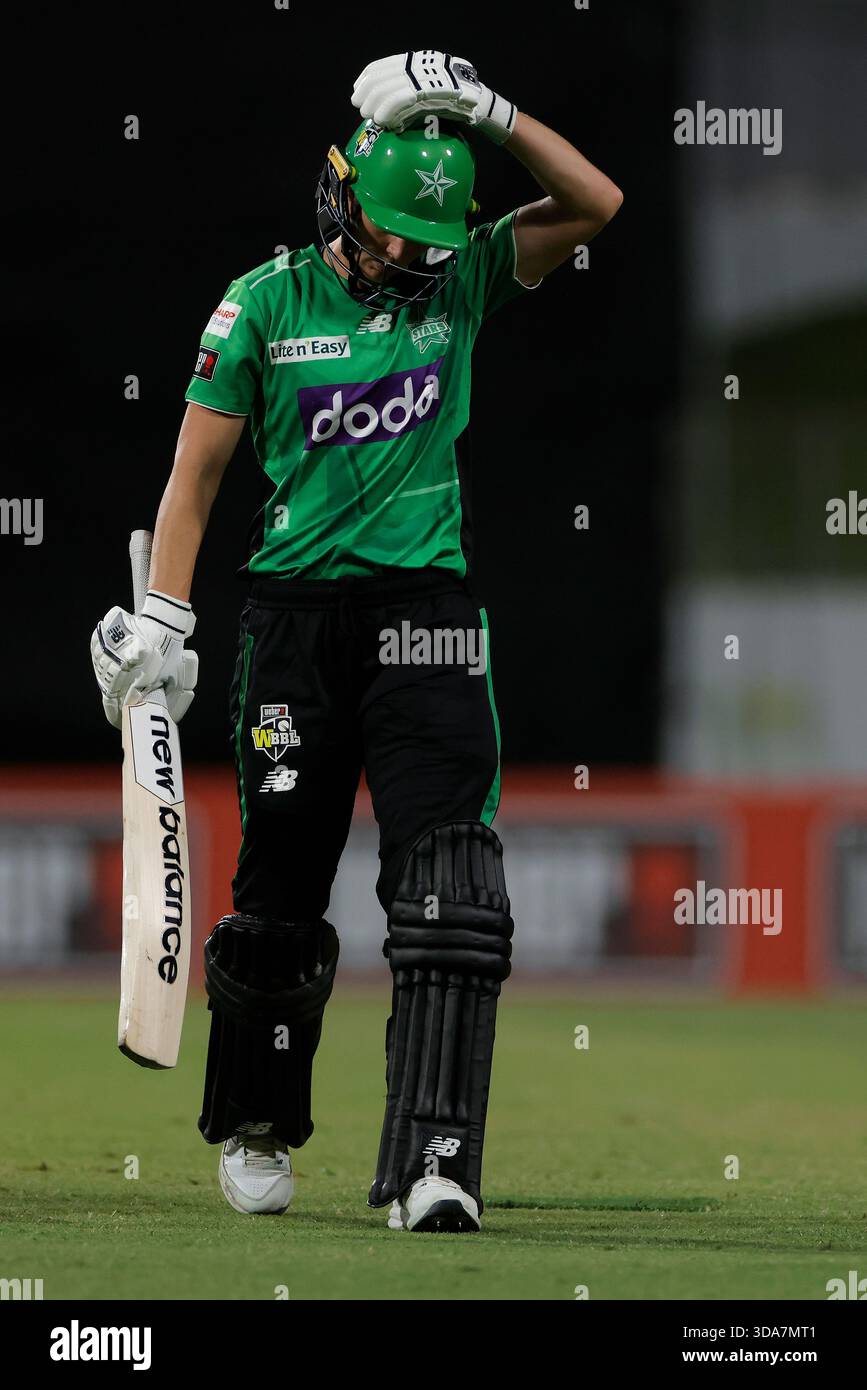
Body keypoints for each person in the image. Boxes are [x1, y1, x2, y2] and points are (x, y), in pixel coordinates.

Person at [90, 51, 622, 1233]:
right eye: (395, 239)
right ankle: (259, 1125)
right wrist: (167, 623)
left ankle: (436, 1158)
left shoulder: (460, 284)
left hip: (426, 617)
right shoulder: (264, 304)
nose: (413, 262)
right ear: (340, 203)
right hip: (292, 627)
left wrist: (491, 110)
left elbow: (597, 203)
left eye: (431, 244)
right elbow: (192, 482)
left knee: (452, 891)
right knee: (278, 893)